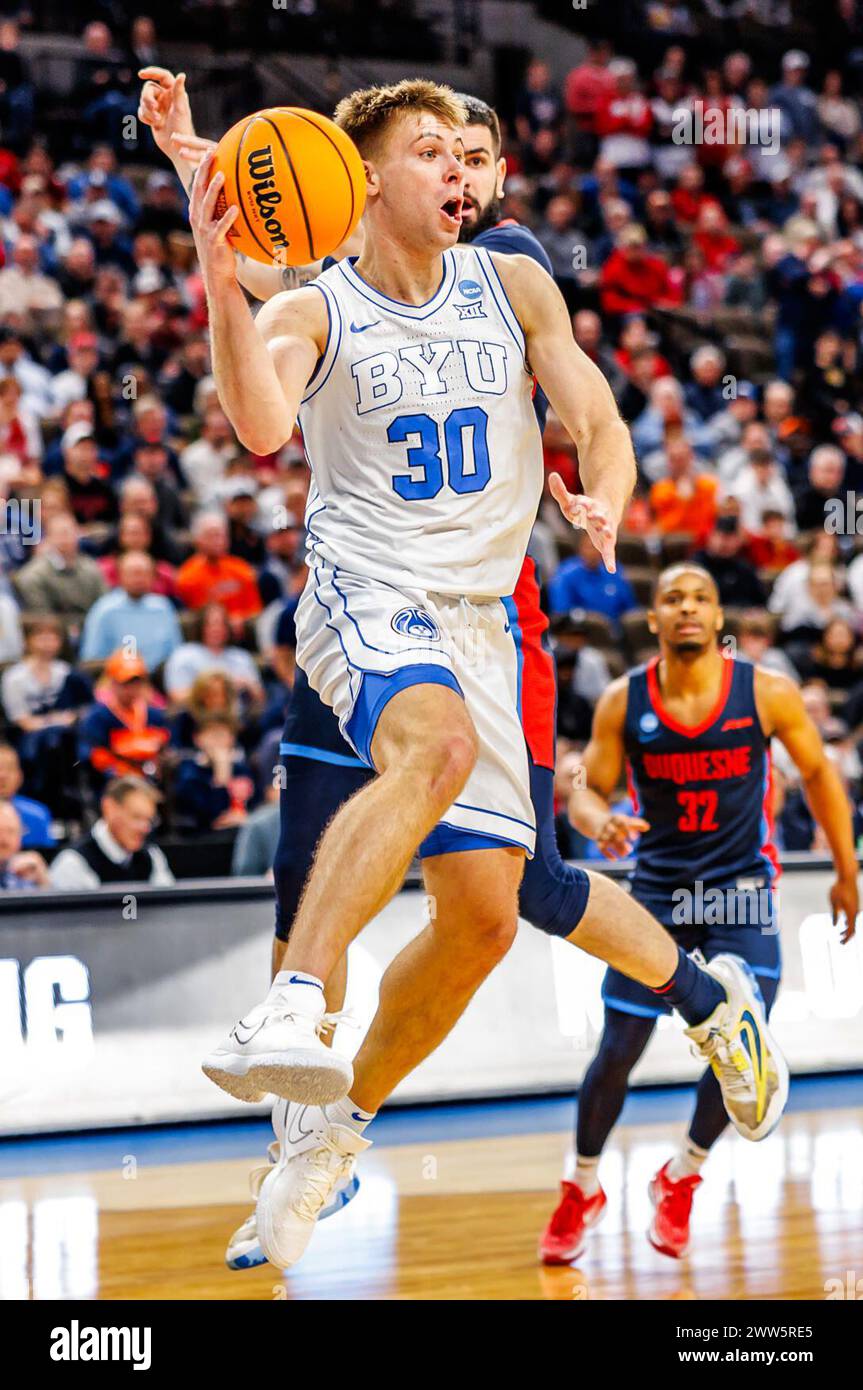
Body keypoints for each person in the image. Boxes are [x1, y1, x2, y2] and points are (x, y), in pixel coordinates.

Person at [142, 69, 788, 1271]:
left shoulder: (512, 275)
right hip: (366, 591)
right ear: (364, 179)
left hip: (485, 620)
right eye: (431, 153)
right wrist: (217, 268)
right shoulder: (318, 305)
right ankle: (293, 999)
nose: (461, 172)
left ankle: (333, 1133)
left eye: (466, 153)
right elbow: (262, 425)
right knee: (423, 758)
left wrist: (607, 486)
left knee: (490, 917)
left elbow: (591, 404)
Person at [539, 564, 858, 1265]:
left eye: (700, 599)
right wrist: (602, 824)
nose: (686, 608)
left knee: (738, 1051)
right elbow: (585, 793)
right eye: (671, 599)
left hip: (741, 892)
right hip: (656, 893)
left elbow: (819, 776)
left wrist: (845, 870)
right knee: (617, 1048)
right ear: (651, 620)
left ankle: (681, 1174)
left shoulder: (766, 693)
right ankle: (582, 1185)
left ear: (718, 619)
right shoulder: (624, 702)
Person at [49, 776, 174, 889]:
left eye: (149, 820)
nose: (145, 828)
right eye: (136, 817)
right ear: (109, 808)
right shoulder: (73, 863)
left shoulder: (152, 857)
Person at [79, 550, 182, 671]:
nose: (139, 579)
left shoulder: (163, 607)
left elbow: (176, 653)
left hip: (159, 678)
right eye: (134, 573)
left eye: (144, 573)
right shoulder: (104, 610)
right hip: (118, 679)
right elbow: (91, 660)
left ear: (153, 577)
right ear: (120, 576)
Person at [0, 743, 54, 848]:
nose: (2, 775)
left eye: (9, 769)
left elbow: (46, 856)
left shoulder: (37, 814)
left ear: (20, 776)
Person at [0, 800, 49, 890]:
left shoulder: (28, 870)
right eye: (0, 832)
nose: (4, 840)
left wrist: (43, 881)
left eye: (11, 831)